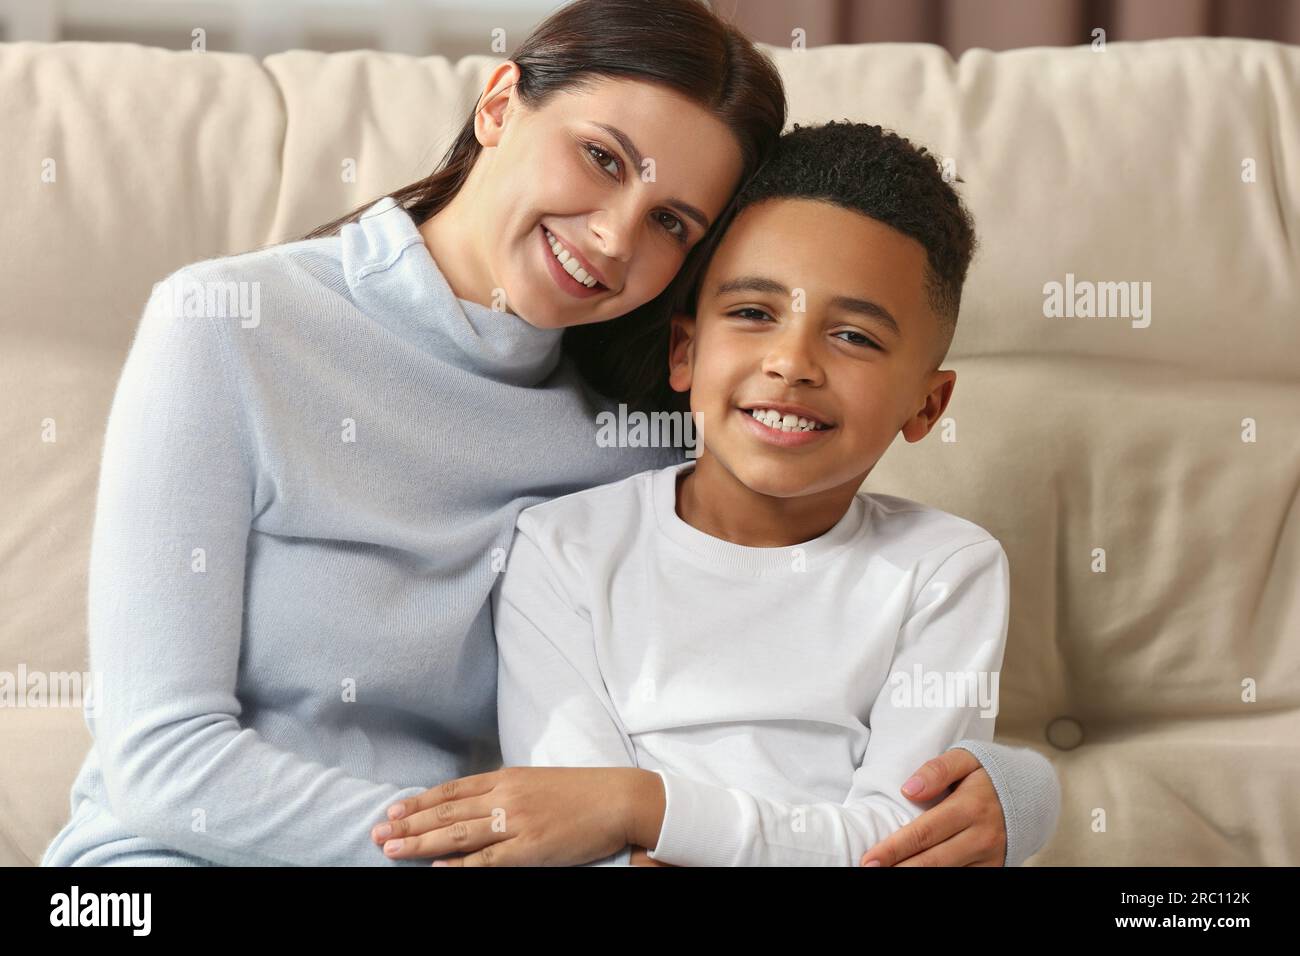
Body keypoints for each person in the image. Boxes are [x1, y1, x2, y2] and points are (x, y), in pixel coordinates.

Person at [369, 121, 1061, 867]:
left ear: (926, 406)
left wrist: (642, 805)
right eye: (754, 314)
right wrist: (616, 818)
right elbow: (565, 820)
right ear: (685, 352)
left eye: (855, 336)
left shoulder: (946, 568)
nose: (791, 364)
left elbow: (900, 844)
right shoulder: (563, 547)